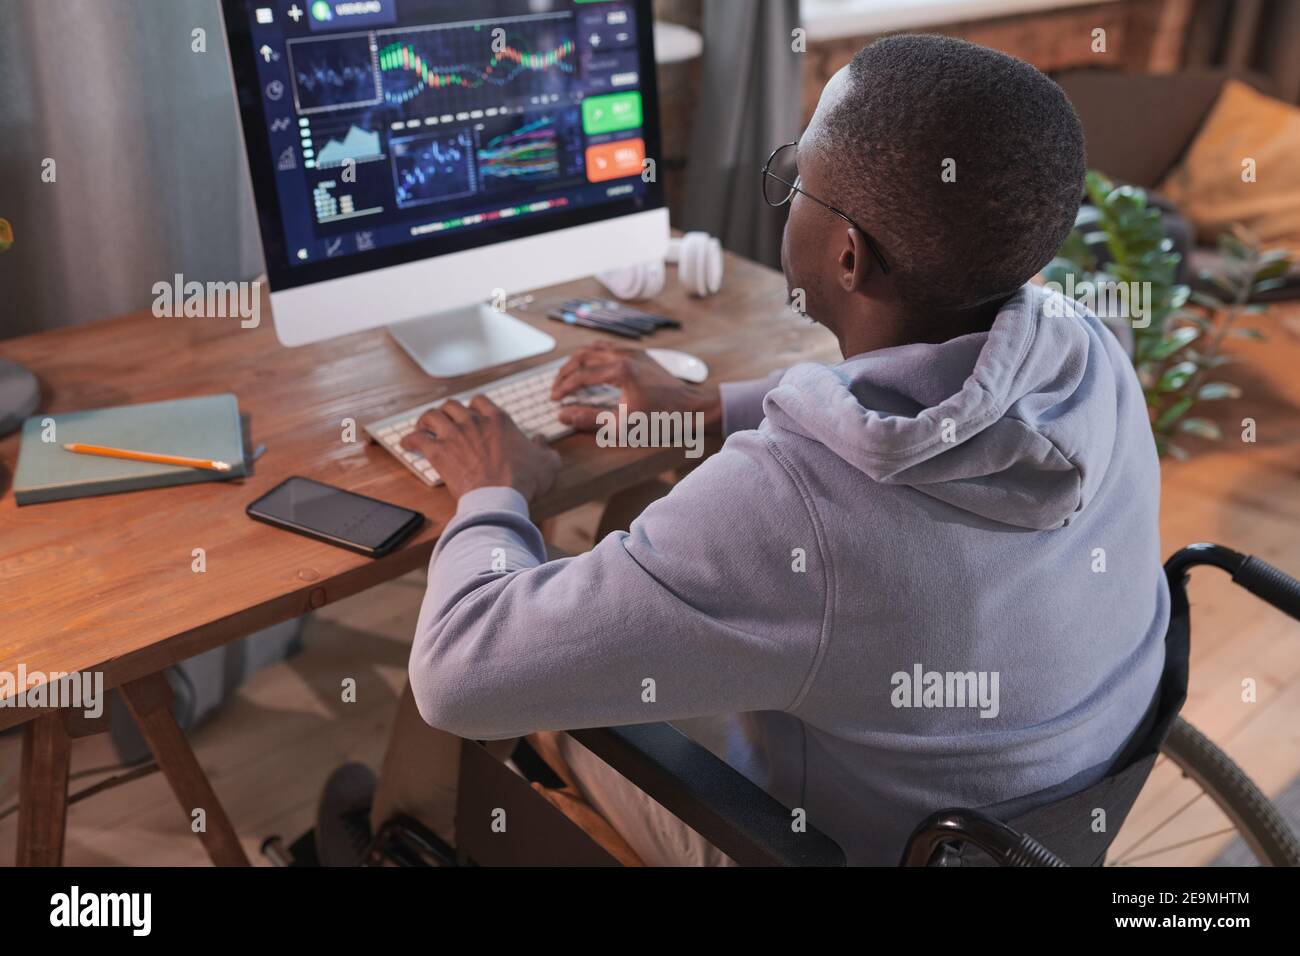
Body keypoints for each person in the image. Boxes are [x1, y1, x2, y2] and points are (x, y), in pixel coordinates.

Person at [317, 34, 1168, 866]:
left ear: (846, 254)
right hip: (1045, 810)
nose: (788, 191)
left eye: (800, 176)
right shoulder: (1083, 345)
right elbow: (929, 410)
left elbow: (459, 676)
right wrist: (703, 407)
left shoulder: (796, 508)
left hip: (830, 843)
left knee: (494, 639)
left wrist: (493, 495)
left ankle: (396, 839)